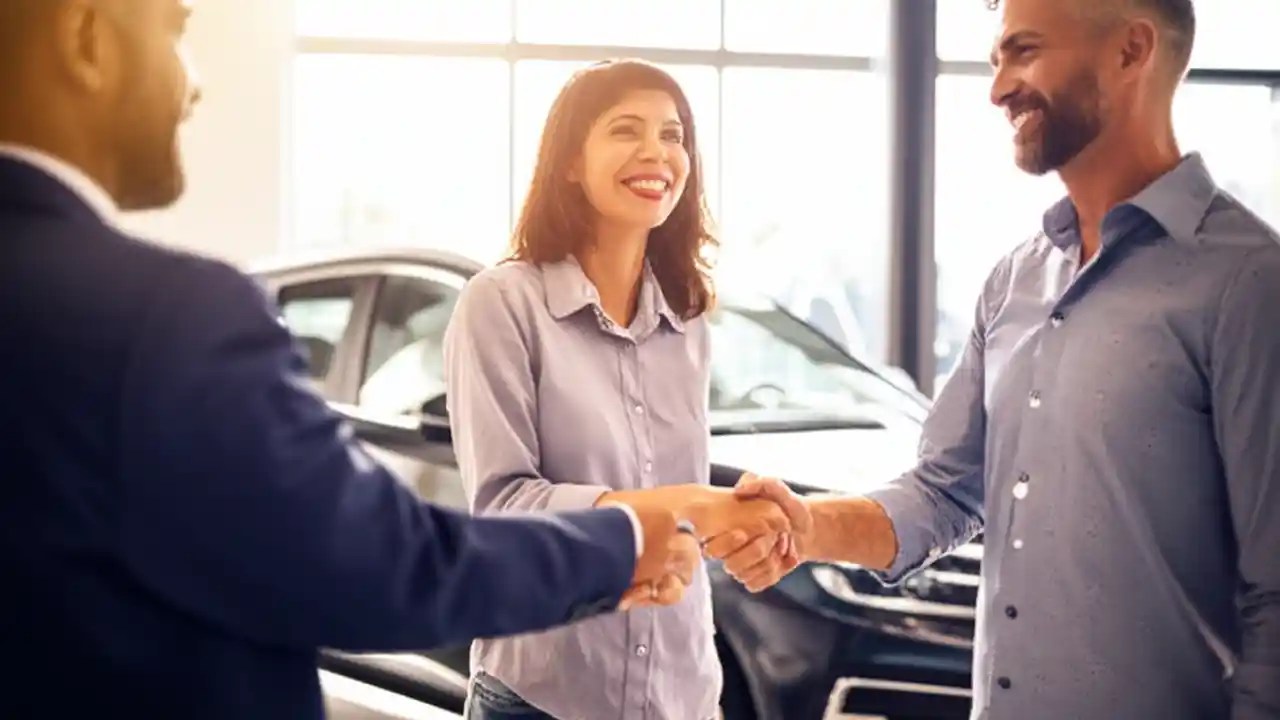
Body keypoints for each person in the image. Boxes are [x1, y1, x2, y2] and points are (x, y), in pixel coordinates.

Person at [0, 2, 706, 718]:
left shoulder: (690, 316)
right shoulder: (167, 316)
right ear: (87, 39)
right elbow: (385, 568)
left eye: (672, 134)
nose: (194, 84)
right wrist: (621, 544)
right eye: (176, 33)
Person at [714, 0, 1280, 718]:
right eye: (996, 60)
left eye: (1025, 51)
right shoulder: (1015, 279)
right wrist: (805, 525)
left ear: (1131, 50)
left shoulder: (1249, 284)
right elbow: (946, 491)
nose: (998, 87)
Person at [443, 58, 798, 720]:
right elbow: (504, 508)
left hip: (681, 693)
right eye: (625, 130)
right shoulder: (502, 304)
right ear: (570, 161)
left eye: (673, 134)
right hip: (544, 695)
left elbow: (682, 510)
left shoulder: (687, 319)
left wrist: (748, 526)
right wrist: (692, 505)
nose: (656, 152)